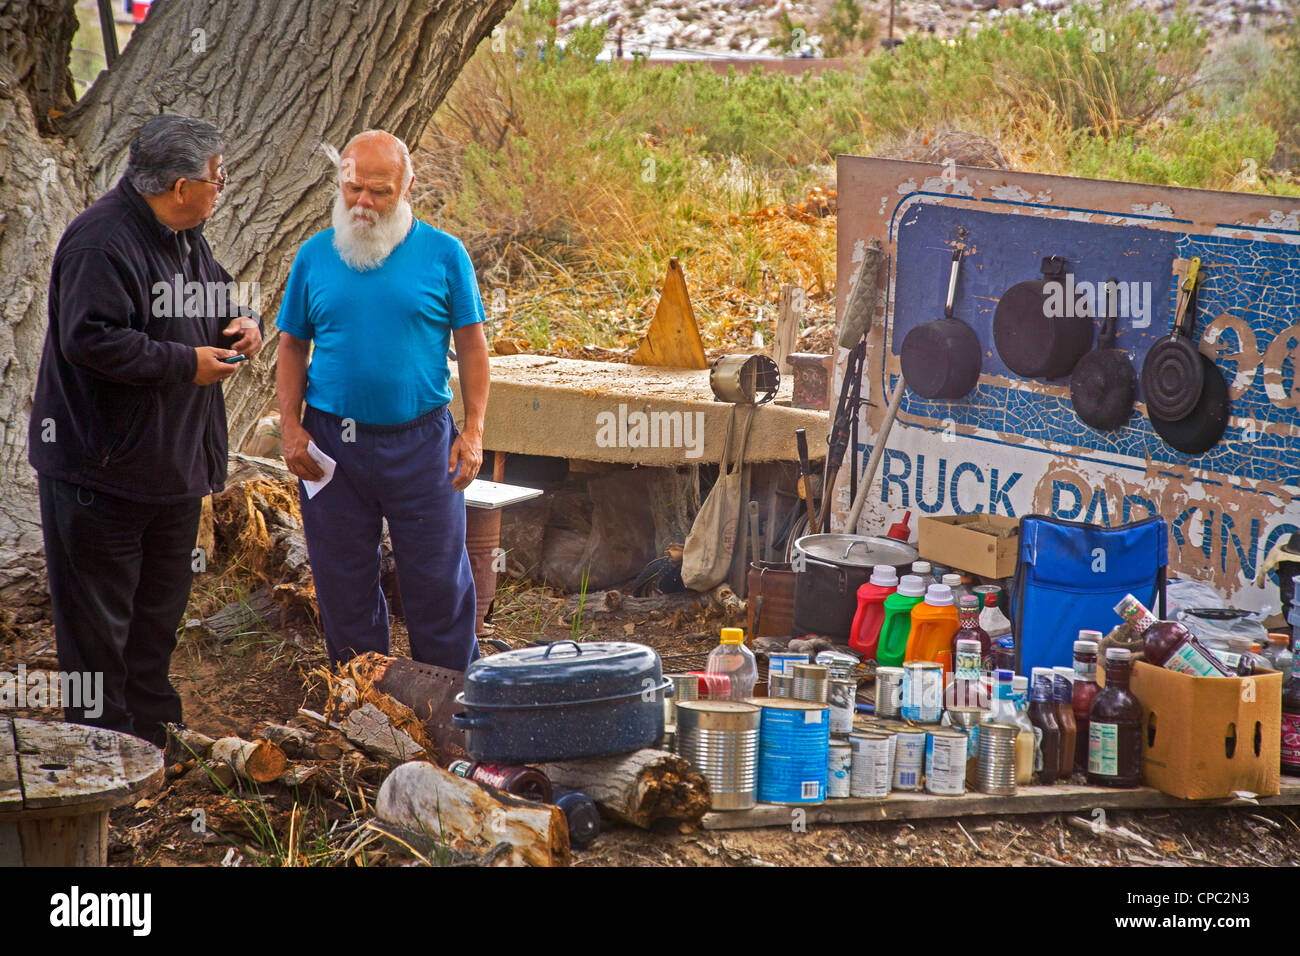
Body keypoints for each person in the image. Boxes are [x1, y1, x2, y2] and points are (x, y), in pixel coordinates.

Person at [29, 114, 262, 747]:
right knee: (98, 625)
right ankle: (100, 747)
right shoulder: (99, 242)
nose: (225, 186)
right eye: (218, 177)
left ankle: (155, 734)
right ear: (181, 185)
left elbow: (210, 293)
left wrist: (240, 318)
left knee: (158, 612)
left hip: (172, 468)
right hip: (99, 474)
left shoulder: (185, 233)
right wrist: (186, 363)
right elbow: (90, 340)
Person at [276, 129, 489, 672]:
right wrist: (290, 426)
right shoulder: (315, 256)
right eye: (353, 190)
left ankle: (451, 704)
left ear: (409, 186)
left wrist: (475, 430)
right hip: (331, 443)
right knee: (342, 581)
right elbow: (292, 345)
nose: (363, 203)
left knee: (437, 579)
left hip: (422, 442)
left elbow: (471, 346)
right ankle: (364, 706)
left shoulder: (444, 254)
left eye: (380, 191)